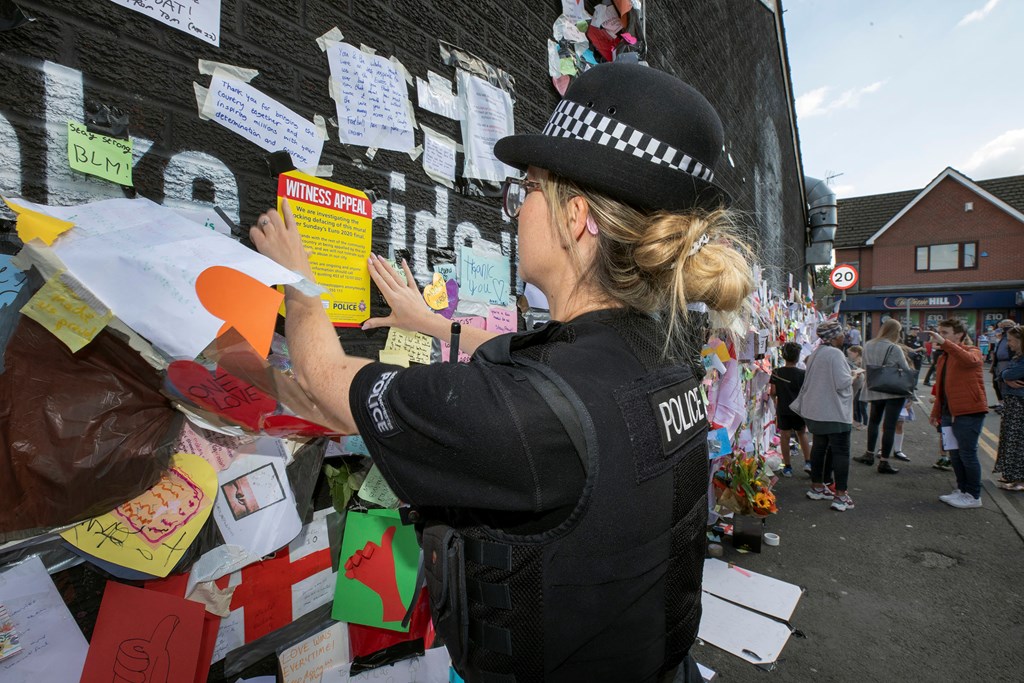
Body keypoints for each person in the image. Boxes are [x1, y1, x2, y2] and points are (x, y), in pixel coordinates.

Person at [249, 63, 753, 682]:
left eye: (529, 189)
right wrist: (433, 323)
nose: (517, 210)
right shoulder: (658, 354)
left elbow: (325, 382)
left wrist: (299, 283)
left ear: (575, 217)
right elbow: (542, 362)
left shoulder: (526, 413)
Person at [790, 320, 855, 511]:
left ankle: (817, 487)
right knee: (841, 452)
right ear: (834, 337)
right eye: (841, 334)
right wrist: (854, 376)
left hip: (815, 411)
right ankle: (840, 496)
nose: (843, 337)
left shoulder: (815, 353)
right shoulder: (835, 354)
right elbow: (842, 383)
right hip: (834, 412)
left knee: (819, 448)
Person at [927, 319, 987, 509]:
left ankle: (974, 495)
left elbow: (970, 361)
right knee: (954, 454)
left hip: (968, 411)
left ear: (959, 334)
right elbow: (941, 389)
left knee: (967, 454)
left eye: (945, 333)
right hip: (948, 412)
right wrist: (936, 412)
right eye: (940, 332)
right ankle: (962, 490)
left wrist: (945, 343)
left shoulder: (972, 351)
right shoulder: (944, 357)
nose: (940, 336)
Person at [855, 319, 913, 473]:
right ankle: (884, 462)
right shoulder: (894, 348)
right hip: (893, 390)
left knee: (873, 422)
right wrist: (911, 395)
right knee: (889, 426)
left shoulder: (868, 345)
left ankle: (869, 454)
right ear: (896, 332)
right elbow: (905, 370)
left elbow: (864, 367)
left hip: (875, 388)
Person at [770, 341, 811, 476]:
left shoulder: (776, 372)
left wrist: (775, 401)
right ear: (798, 357)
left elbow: (773, 392)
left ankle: (787, 467)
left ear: (783, 355)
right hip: (799, 409)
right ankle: (808, 462)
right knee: (802, 433)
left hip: (783, 409)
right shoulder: (803, 373)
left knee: (785, 436)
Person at [993, 326, 1024, 491]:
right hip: (1013, 403)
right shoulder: (1018, 357)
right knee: (1011, 439)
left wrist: (1005, 376)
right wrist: (1005, 376)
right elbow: (1000, 374)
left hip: (1019, 404)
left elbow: (1007, 374)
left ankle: (1020, 480)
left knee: (1018, 441)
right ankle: (1012, 475)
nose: (1008, 344)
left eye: (1011, 340)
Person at [990, 319, 1016, 412]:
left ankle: (1006, 405)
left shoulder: (1011, 336)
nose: (1001, 328)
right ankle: (1001, 403)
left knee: (1005, 384)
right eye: (1000, 326)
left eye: (1003, 326)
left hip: (1007, 363)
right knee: (997, 384)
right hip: (999, 363)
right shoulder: (1002, 337)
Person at [847, 345, 868, 429]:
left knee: (861, 406)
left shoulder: (861, 361)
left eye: (850, 353)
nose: (849, 355)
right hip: (860, 384)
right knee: (857, 405)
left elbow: (865, 372)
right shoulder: (855, 361)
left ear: (856, 353)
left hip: (862, 386)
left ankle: (863, 423)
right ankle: (858, 421)